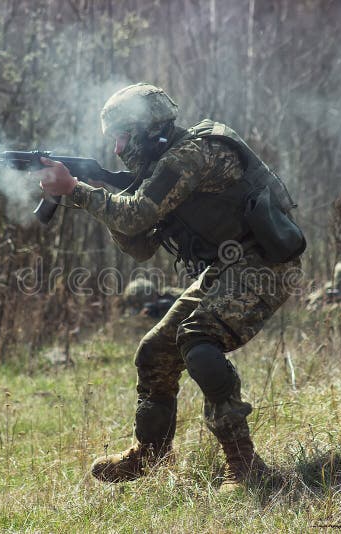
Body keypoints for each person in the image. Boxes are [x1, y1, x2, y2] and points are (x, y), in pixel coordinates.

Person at [35, 83, 305, 491]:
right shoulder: (161, 168)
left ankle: (243, 464)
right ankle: (151, 455)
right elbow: (139, 243)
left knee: (199, 341)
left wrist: (76, 191)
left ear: (143, 129)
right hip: (227, 267)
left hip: (265, 263)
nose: (116, 150)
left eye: (121, 138)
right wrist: (106, 194)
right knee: (155, 351)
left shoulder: (192, 155)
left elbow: (136, 214)